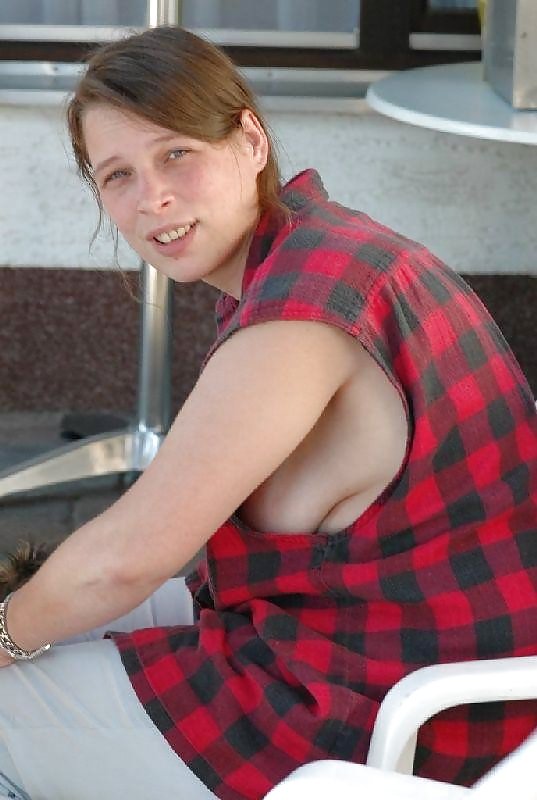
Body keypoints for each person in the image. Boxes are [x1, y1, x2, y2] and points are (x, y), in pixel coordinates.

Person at [0, 25, 535, 800]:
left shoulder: (301, 312)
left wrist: (5, 631)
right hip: (389, 642)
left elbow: (125, 559)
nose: (152, 197)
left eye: (176, 153)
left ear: (250, 140)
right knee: (61, 622)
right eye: (117, 175)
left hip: (398, 710)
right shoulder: (317, 250)